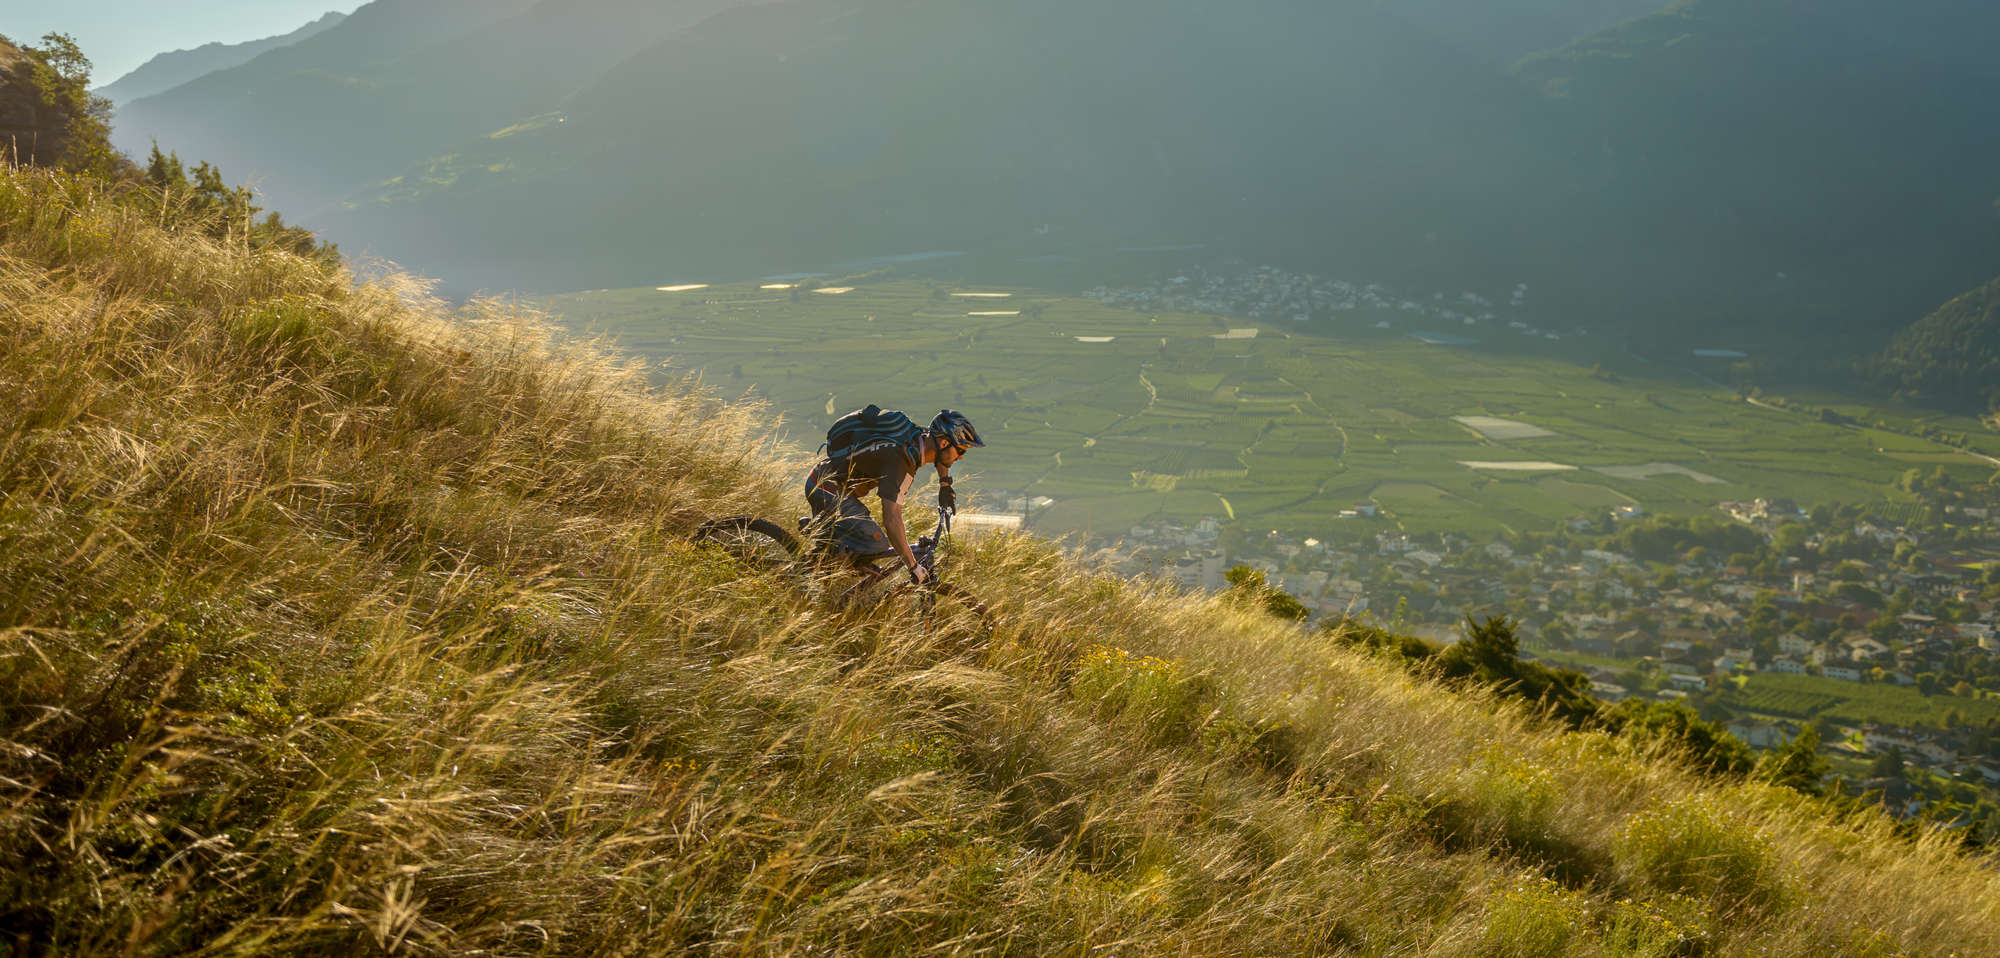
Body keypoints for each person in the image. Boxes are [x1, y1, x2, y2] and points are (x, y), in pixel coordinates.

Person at [804, 409, 984, 584]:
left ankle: (826, 563)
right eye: (961, 451)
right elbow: (891, 518)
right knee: (875, 543)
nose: (960, 457)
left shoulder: (916, 436)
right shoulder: (900, 461)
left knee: (860, 550)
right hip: (825, 488)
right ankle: (815, 567)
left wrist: (945, 485)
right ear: (944, 443)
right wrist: (912, 566)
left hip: (829, 484)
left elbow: (940, 456)